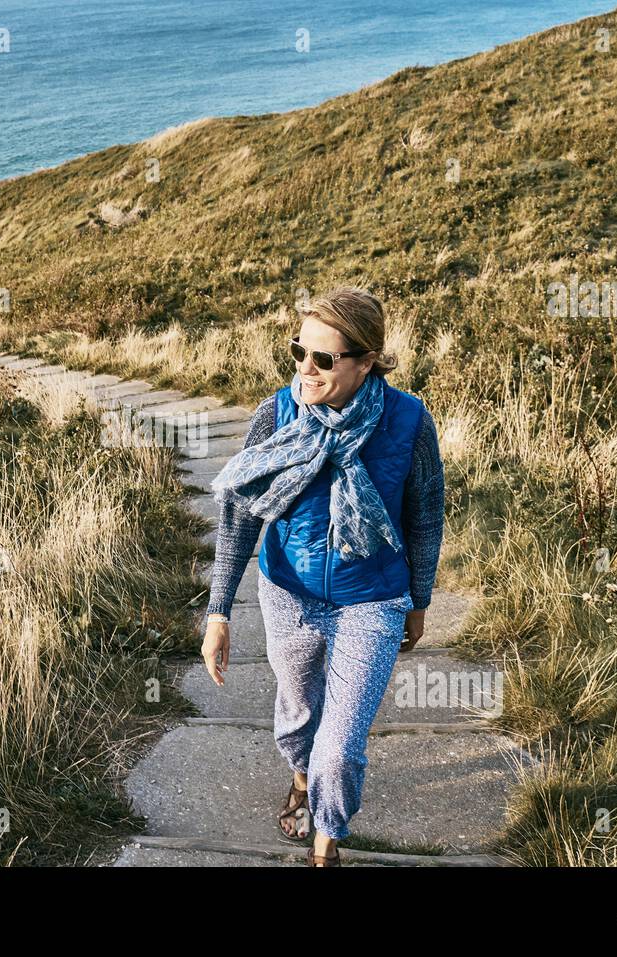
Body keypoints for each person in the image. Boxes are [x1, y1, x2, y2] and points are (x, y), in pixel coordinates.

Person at [202, 287, 444, 867]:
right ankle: (300, 779)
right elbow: (239, 516)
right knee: (299, 712)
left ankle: (325, 843)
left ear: (366, 362)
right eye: (298, 352)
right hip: (288, 594)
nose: (305, 371)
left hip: (374, 600)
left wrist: (419, 601)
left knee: (340, 747)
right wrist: (219, 612)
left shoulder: (408, 420)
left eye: (325, 359)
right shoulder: (277, 414)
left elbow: (425, 515)